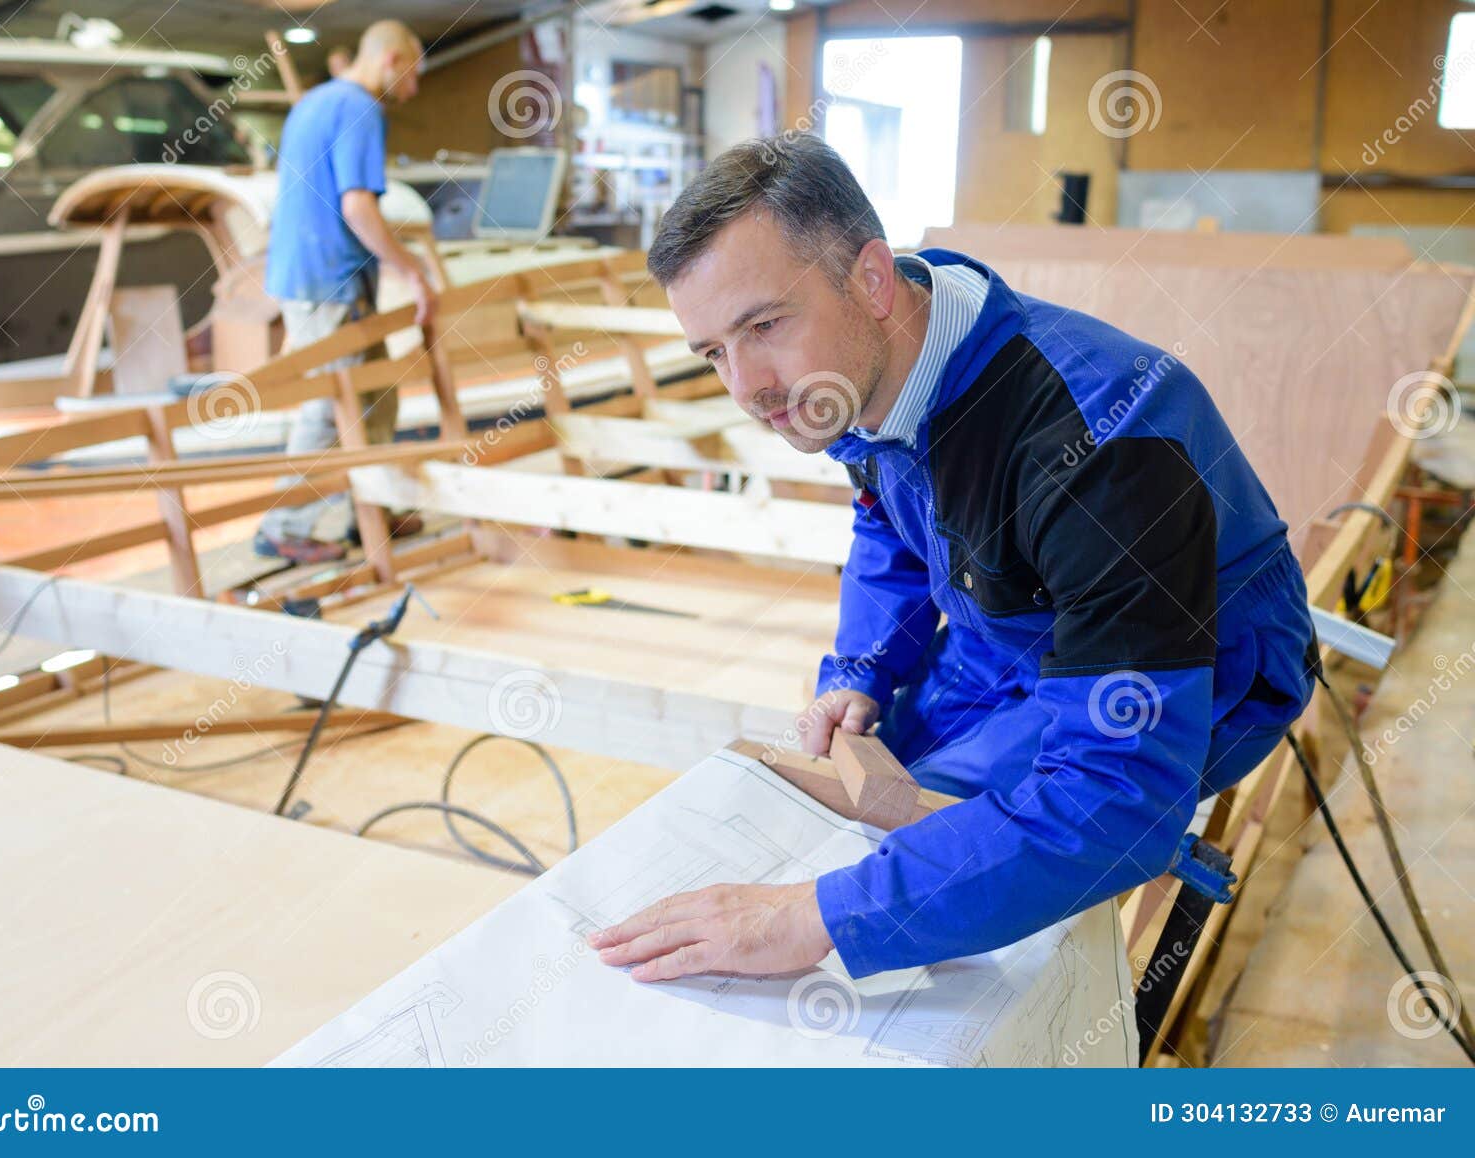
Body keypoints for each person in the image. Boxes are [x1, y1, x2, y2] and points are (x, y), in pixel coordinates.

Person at [589, 133, 1318, 982]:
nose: (748, 389)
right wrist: (861, 669)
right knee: (871, 797)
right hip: (1002, 631)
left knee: (975, 850)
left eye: (763, 326)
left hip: (1203, 656)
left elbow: (1115, 794)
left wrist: (819, 918)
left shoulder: (1104, 446)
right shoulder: (853, 370)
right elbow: (888, 515)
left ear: (868, 277)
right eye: (714, 352)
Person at [256, 19, 438, 563]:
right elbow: (358, 208)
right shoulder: (361, 108)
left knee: (377, 394)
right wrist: (412, 270)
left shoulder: (315, 102)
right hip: (327, 280)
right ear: (391, 60)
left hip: (319, 276)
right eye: (412, 76)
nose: (412, 90)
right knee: (327, 407)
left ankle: (372, 511)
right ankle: (285, 524)